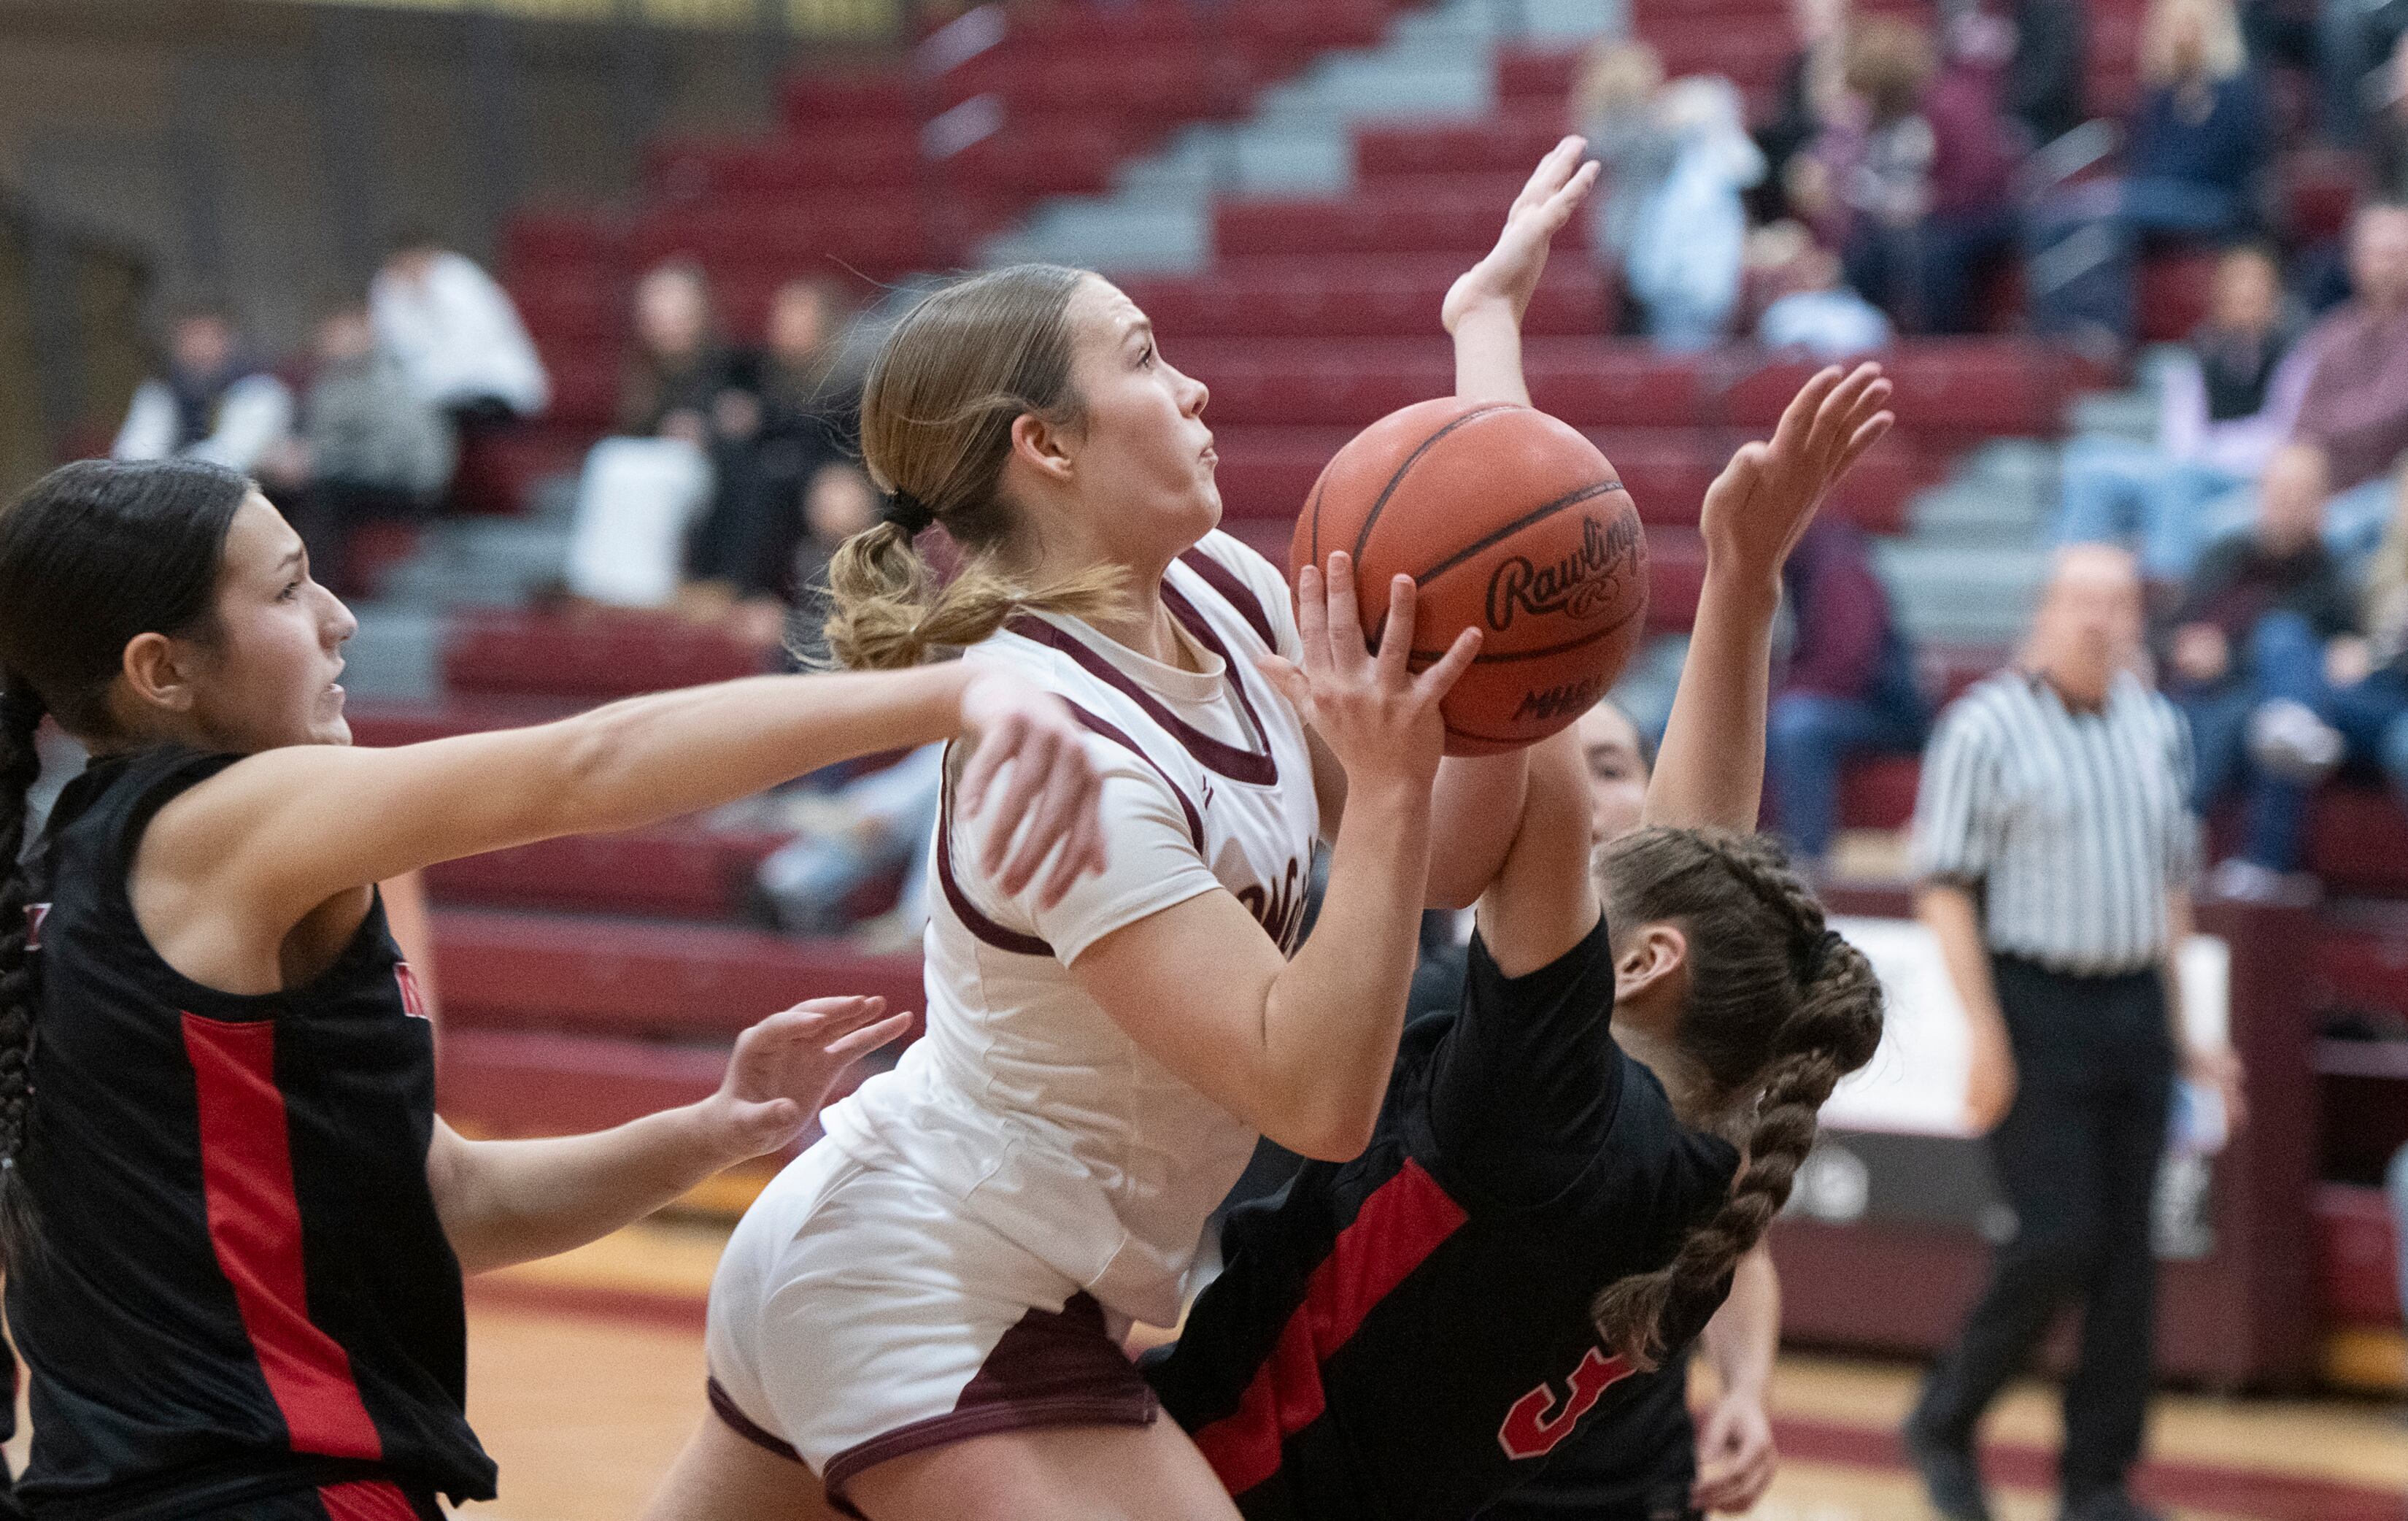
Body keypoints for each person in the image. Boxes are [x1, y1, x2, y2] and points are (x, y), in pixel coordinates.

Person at [649, 136, 1562, 1518]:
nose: (1192, 386)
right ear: (1048, 443)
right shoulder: (1057, 744)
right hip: (924, 1271)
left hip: (963, 1263)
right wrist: (1380, 789)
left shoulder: (1222, 589)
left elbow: (1451, 855)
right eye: (1144, 356)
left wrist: (1486, 359)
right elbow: (1315, 1095)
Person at [0, 455, 1120, 1519]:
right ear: (163, 671)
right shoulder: (212, 829)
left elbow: (446, 1207)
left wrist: (706, 1132)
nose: (340, 617)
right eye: (290, 591)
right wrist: (959, 695)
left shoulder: (85, 874)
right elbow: (588, 764)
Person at [1138, 344, 1893, 1520]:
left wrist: (1498, 513)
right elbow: (1685, 832)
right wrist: (1742, 579)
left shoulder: (1554, 1103)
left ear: (1640, 964)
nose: (1602, 835)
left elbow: (1528, 717)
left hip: (1221, 1478)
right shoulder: (1692, 1151)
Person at [1904, 544, 2247, 1521]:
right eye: (2080, 601)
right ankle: (1946, 1415)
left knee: (2129, 1257)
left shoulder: (2158, 724)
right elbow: (1942, 890)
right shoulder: (1984, 728)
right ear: (2044, 612)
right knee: (2056, 1237)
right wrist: (1982, 1034)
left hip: (2136, 1000)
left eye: (2116, 603)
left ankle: (2096, 1482)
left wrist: (2193, 1034)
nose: (2098, 619)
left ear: (2138, 617)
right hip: (2033, 1001)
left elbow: (2169, 889)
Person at [2160, 443, 2359, 882]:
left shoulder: (2330, 579)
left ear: (2321, 505)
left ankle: (2183, 851)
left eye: (2300, 494)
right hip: (2189, 692)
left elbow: (2319, 662)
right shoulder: (2224, 555)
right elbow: (2169, 626)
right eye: (2278, 491)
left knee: (2251, 714)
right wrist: (2181, 647)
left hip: (2254, 702)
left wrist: (2225, 660)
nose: (2286, 505)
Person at [2053, 244, 2309, 584]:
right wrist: (2202, 453)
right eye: (2236, 287)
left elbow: (2284, 436)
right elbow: (2180, 435)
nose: (2245, 296)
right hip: (2194, 464)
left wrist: (2211, 452)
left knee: (2180, 478)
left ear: (2275, 298)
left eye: (2255, 288)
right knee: (2087, 459)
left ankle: (2165, 589)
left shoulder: (2298, 352)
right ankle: (2069, 583)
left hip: (2247, 476)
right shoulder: (2200, 350)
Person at [687, 279, 866, 619]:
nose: (788, 332)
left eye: (801, 324)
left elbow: (834, 437)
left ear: (827, 328)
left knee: (794, 484)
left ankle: (773, 600)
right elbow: (716, 401)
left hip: (828, 473)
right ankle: (719, 585)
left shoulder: (849, 381)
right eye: (782, 322)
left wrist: (764, 419)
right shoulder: (754, 371)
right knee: (746, 471)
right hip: (767, 477)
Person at [1764, 519, 1928, 869]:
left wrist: (1772, 700)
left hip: (1885, 710)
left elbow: (1848, 665)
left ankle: (1808, 869)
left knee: (1797, 726)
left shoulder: (1836, 562)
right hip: (1834, 700)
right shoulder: (1780, 567)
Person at [266, 302, 458, 597]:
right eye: (329, 333)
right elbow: (322, 439)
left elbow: (390, 457)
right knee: (270, 490)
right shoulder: (330, 381)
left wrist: (317, 462)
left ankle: (315, 596)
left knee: (324, 492)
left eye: (343, 331)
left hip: (410, 484)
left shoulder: (393, 379)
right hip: (348, 474)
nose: (334, 340)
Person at [1625, 77, 1765, 350]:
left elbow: (1749, 166)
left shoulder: (1715, 166)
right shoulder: (1674, 172)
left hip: (1708, 290)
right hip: (1675, 293)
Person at [369, 231, 549, 428]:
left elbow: (472, 349)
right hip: (432, 394)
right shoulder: (390, 287)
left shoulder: (459, 280)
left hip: (489, 386)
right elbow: (395, 347)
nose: (412, 269)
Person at [112, 303, 295, 477]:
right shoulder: (160, 390)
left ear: (230, 341)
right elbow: (131, 457)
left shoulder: (260, 389)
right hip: (169, 496)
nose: (200, 346)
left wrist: (165, 469)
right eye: (191, 336)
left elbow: (232, 459)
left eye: (210, 337)